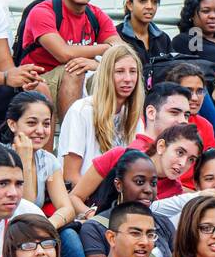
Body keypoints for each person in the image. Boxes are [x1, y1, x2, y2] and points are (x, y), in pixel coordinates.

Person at [67, 83, 196, 210]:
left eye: (186, 115)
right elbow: (75, 197)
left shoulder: (174, 182)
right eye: (174, 113)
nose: (183, 121)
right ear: (151, 113)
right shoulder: (118, 155)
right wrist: (96, 219)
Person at [78, 145, 181, 257]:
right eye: (139, 182)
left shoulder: (164, 223)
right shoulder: (95, 228)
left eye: (153, 183)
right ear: (119, 185)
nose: (149, 190)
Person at [14, 0, 122, 121]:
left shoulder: (95, 14)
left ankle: (117, 135)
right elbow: (64, 54)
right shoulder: (43, 11)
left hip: (78, 81)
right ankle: (71, 134)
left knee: (120, 74)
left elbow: (121, 51)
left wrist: (98, 64)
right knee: (75, 70)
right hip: (40, 81)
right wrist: (107, 48)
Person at [57, 43, 144, 185]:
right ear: (106, 74)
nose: (128, 79)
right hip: (84, 198)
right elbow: (70, 176)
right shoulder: (81, 111)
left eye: (133, 71)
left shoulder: (134, 116)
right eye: (120, 71)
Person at [0, 92, 75, 241]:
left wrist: (48, 225)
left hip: (35, 231)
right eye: (32, 123)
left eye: (46, 124)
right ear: (12, 124)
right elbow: (24, 206)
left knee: (69, 235)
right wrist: (24, 161)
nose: (40, 131)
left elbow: (67, 208)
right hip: (6, 231)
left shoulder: (48, 160)